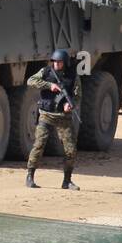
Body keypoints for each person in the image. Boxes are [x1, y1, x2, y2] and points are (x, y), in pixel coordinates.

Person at [26, 49, 82, 190]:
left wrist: (71, 104)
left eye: (60, 62)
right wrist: (49, 85)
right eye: (55, 61)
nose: (56, 64)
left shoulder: (73, 76)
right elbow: (30, 81)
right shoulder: (46, 72)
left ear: (65, 63)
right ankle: (30, 176)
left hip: (64, 117)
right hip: (46, 114)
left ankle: (67, 180)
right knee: (39, 145)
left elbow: (77, 95)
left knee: (70, 150)